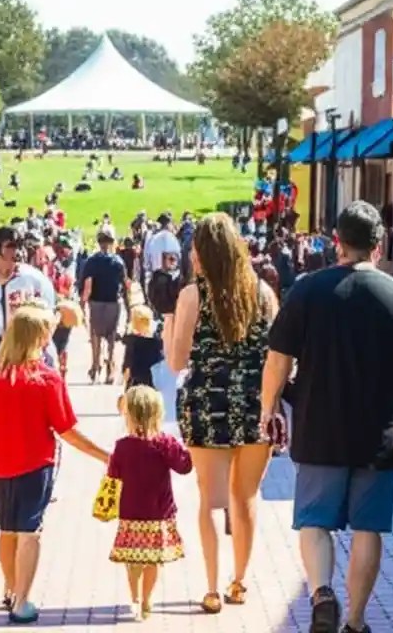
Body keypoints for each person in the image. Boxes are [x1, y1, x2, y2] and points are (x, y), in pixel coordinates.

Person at [261, 200, 393, 633]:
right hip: (378, 433)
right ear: (379, 245)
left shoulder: (307, 290)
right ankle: (356, 620)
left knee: (315, 521)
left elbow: (278, 360)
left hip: (319, 424)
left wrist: (269, 407)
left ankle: (321, 592)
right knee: (368, 528)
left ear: (337, 242)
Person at [0, 305, 110, 624]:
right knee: (29, 532)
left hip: (0, 464)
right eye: (46, 331)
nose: (49, 337)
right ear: (37, 337)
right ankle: (22, 601)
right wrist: (105, 456)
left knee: (7, 529)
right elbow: (66, 430)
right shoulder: (47, 379)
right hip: (37, 464)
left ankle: (10, 587)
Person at [165, 212, 278, 614]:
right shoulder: (262, 293)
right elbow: (278, 356)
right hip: (255, 405)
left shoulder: (193, 296)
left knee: (210, 500)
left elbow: (178, 362)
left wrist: (167, 332)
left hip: (207, 403)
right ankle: (240, 581)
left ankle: (211, 587)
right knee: (245, 498)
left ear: (204, 254)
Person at [106, 385, 192, 621]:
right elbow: (184, 466)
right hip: (158, 513)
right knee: (152, 560)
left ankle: (134, 597)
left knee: (133, 559)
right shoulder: (165, 442)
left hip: (130, 512)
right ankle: (147, 600)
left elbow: (113, 473)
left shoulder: (122, 446)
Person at [0, 226, 56, 374]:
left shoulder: (33, 278)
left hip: (28, 352)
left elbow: (48, 311)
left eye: (19, 245)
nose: (16, 251)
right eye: (11, 246)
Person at [79, 228, 130, 383]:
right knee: (111, 337)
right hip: (114, 302)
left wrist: (82, 304)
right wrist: (129, 308)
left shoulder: (92, 261)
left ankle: (95, 366)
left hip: (96, 302)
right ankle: (110, 369)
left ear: (99, 242)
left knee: (95, 335)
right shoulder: (118, 262)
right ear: (112, 243)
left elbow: (88, 285)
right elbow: (126, 285)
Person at [121, 305, 164, 389]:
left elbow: (128, 363)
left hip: (135, 381)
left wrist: (126, 377)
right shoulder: (156, 342)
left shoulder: (132, 341)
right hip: (151, 381)